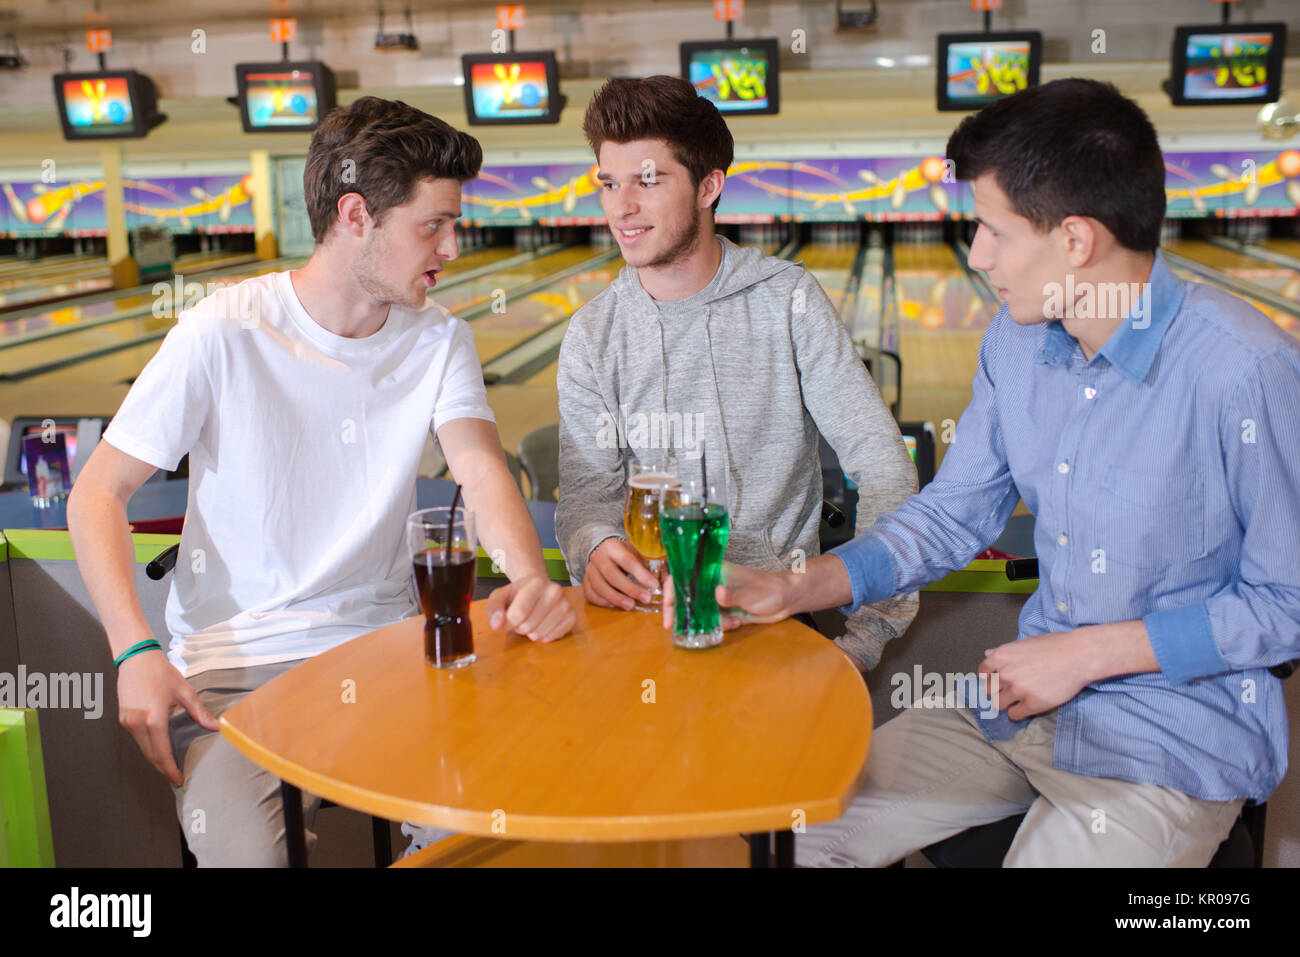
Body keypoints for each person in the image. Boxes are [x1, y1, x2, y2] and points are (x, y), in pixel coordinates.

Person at [685, 78, 1300, 867]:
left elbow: (1288, 601)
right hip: (1020, 712)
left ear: (1075, 240)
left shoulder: (1246, 372)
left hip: (1172, 738)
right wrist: (796, 586)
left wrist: (1089, 652)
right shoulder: (1016, 346)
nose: (976, 256)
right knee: (796, 830)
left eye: (993, 230)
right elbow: (952, 514)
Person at [67, 96, 575, 867]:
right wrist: (133, 649)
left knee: (495, 833)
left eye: (456, 223)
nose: (454, 245)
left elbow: (480, 466)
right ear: (356, 215)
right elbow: (95, 493)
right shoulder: (223, 329)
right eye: (433, 224)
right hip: (232, 677)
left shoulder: (441, 338)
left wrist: (531, 577)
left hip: (394, 654)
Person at [555, 76, 918, 667]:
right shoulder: (592, 334)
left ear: (708, 186)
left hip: (772, 624)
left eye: (647, 181)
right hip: (642, 625)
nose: (621, 207)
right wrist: (592, 546)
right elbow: (585, 499)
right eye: (609, 183)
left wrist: (862, 641)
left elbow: (884, 470)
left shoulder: (789, 301)